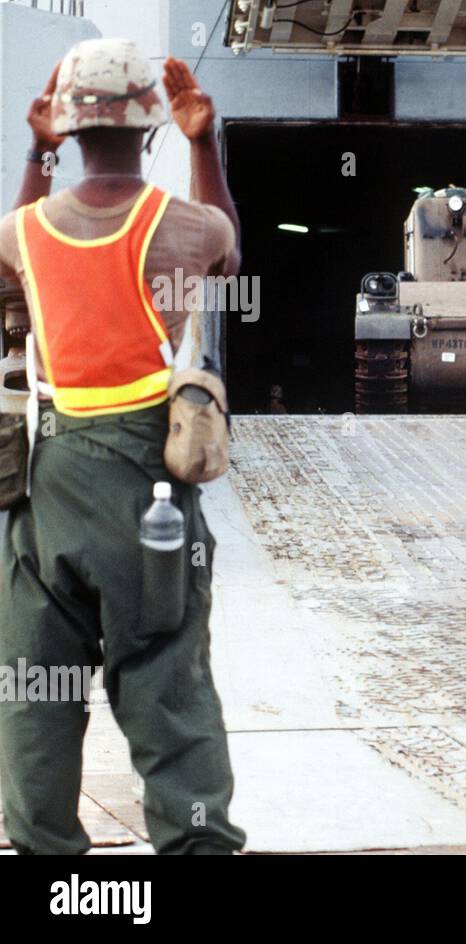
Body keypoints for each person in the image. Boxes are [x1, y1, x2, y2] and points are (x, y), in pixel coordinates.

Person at [0, 39, 245, 854]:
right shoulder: (185, 225)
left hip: (52, 480)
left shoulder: (22, 231)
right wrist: (205, 144)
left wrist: (37, 155)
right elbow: (229, 251)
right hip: (152, 489)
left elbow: (15, 284)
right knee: (167, 683)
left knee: (36, 689)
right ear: (152, 127)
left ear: (66, 127)